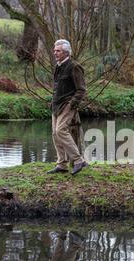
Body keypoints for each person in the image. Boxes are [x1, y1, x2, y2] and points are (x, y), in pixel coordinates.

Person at [47, 39, 88, 175]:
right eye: (54, 50)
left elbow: (81, 89)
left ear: (66, 52)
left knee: (60, 131)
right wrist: (52, 101)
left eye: (58, 51)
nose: (55, 53)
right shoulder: (58, 66)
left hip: (67, 104)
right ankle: (62, 164)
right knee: (55, 134)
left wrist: (72, 104)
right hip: (56, 104)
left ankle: (78, 160)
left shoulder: (75, 66)